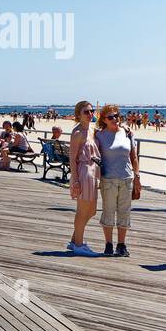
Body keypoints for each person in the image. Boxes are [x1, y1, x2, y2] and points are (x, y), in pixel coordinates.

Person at [94, 104, 139, 257]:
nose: (115, 119)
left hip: (127, 178)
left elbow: (133, 156)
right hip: (108, 179)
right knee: (108, 211)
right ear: (104, 120)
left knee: (124, 213)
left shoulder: (127, 133)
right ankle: (108, 244)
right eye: (111, 117)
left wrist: (137, 176)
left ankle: (121, 245)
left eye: (117, 116)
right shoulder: (99, 135)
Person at [66, 101, 101, 256]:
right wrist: (75, 179)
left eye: (91, 111)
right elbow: (72, 158)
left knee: (92, 210)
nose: (90, 114)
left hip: (94, 171)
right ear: (78, 115)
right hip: (84, 171)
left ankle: (75, 239)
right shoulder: (78, 132)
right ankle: (78, 245)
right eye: (86, 112)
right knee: (82, 210)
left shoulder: (92, 130)